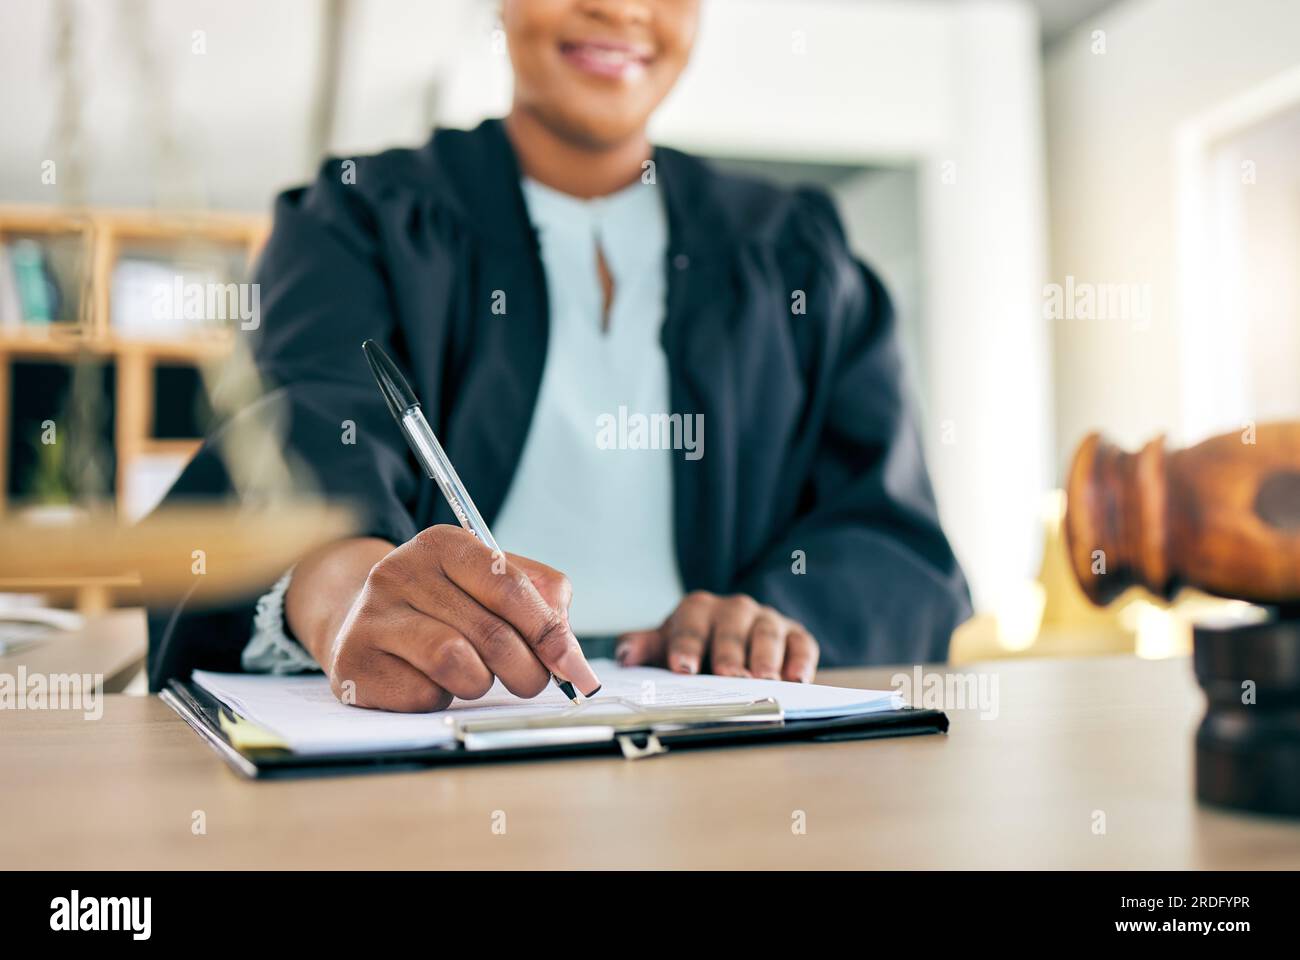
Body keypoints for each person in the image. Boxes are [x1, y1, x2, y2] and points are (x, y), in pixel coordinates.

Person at [148, 0, 971, 711]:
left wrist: (777, 618)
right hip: (440, 746)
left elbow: (894, 540)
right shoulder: (359, 220)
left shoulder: (797, 250)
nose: (617, 8)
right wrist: (346, 589)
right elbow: (302, 431)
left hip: (732, 745)